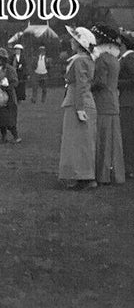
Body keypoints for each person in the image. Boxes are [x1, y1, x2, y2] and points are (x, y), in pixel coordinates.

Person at [59, 27, 98, 190]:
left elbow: (82, 84)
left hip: (78, 103)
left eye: (74, 39)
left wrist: (80, 108)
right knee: (82, 142)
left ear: (80, 43)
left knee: (78, 142)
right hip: (81, 101)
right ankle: (81, 175)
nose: (71, 41)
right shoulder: (86, 59)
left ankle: (82, 176)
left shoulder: (80, 60)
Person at [90, 24, 125, 185]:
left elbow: (100, 82)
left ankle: (102, 175)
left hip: (102, 102)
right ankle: (116, 173)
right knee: (114, 141)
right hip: (113, 102)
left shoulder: (102, 59)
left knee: (103, 140)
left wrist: (87, 85)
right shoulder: (114, 59)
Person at [0, 48, 21, 143]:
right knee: (0, 117)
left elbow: (15, 82)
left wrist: (6, 86)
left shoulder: (9, 69)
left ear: (2, 59)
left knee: (9, 117)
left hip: (9, 97)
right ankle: (3, 136)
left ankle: (16, 136)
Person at [119, 31, 134, 179]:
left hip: (128, 102)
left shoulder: (129, 58)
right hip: (126, 101)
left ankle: (129, 167)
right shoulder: (126, 58)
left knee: (127, 135)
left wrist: (115, 83)